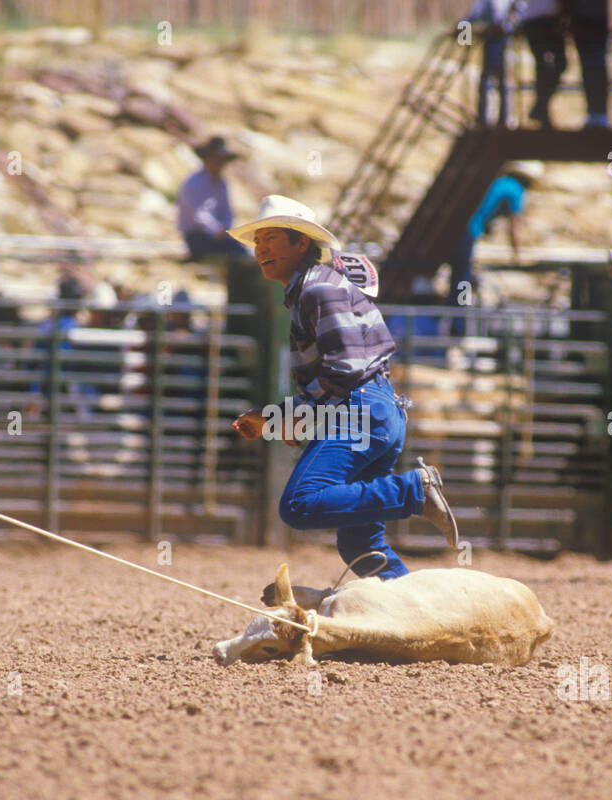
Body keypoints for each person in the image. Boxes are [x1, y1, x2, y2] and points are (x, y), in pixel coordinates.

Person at [227, 195, 460, 579]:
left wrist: (291, 418)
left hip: (360, 410)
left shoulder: (318, 289)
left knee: (299, 505)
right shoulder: (316, 287)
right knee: (360, 544)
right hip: (376, 410)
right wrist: (281, 420)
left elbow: (346, 369)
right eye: (257, 242)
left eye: (270, 238)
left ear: (300, 242)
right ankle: (408, 618)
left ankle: (413, 492)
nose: (260, 249)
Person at [449, 160, 544, 312]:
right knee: (464, 276)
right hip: (469, 230)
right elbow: (514, 226)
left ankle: (455, 311)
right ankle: (460, 319)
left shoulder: (498, 182)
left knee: (458, 273)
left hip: (458, 227)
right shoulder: (516, 190)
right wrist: (517, 253)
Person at [519, 0, 610, 129]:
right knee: (547, 65)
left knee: (550, 65)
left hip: (546, 20)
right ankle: (541, 107)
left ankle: (541, 106)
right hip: (541, 20)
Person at [177, 136, 248, 261]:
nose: (219, 163)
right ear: (206, 159)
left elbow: (227, 212)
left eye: (221, 160)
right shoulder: (193, 182)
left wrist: (225, 229)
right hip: (197, 236)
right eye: (215, 158)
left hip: (219, 235)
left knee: (240, 252)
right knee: (230, 252)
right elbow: (197, 214)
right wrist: (216, 231)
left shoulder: (222, 184)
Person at [465, 0, 520, 127]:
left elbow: (519, 15)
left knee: (503, 81)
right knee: (487, 81)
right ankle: (483, 120)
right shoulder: (485, 2)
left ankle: (504, 120)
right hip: (491, 44)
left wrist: (506, 27)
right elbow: (472, 17)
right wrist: (463, 37)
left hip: (505, 44)